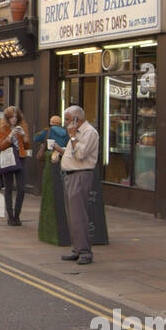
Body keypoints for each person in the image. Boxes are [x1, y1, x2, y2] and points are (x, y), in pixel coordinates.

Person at [59, 105, 101, 265]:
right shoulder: (76, 134)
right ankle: (76, 248)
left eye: (68, 119)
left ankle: (85, 251)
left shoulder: (89, 133)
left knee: (79, 215)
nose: (66, 123)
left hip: (81, 175)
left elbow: (82, 154)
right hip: (71, 175)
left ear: (77, 119)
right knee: (72, 216)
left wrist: (73, 137)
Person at [34, 116, 70, 245]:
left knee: (50, 187)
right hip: (64, 160)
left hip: (51, 160)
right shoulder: (66, 133)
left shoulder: (47, 131)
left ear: (50, 123)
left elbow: (36, 138)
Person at [0, 107, 32, 226]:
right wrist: (10, 135)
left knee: (21, 188)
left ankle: (17, 214)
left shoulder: (23, 126)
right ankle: (10, 216)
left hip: (20, 157)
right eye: (11, 117)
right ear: (7, 118)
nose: (14, 119)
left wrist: (24, 135)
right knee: (9, 188)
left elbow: (27, 145)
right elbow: (1, 146)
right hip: (8, 158)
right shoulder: (2, 129)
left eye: (16, 117)